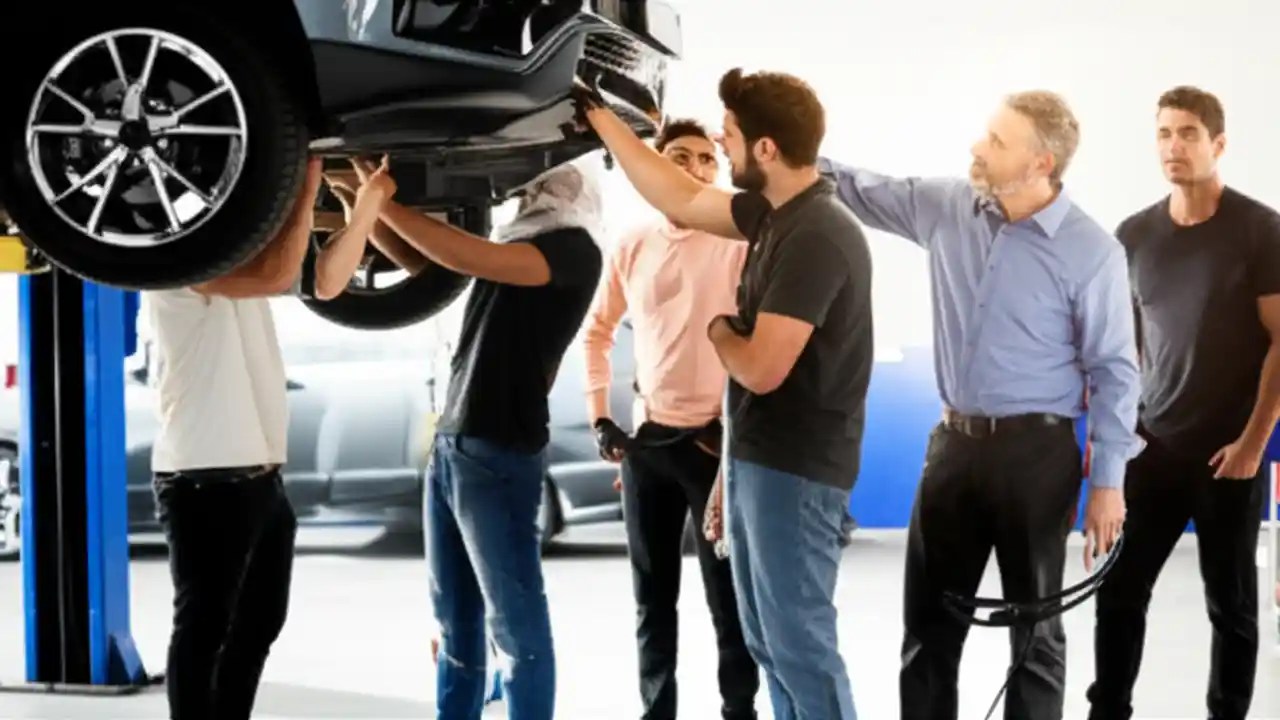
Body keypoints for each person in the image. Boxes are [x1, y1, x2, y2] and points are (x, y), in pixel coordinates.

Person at [819, 90, 1143, 720]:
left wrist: (1109, 481)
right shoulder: (946, 208)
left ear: (1041, 162)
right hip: (954, 449)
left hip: (1038, 456)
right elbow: (859, 188)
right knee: (929, 629)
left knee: (1036, 636)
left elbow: (1114, 371)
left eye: (996, 141)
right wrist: (786, 148)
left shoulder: (1092, 251)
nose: (977, 147)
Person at [577, 67, 872, 720]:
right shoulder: (771, 216)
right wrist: (600, 116)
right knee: (772, 644)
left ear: (765, 149)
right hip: (758, 463)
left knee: (798, 647)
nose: (720, 145)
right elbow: (678, 196)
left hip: (795, 473)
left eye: (730, 136)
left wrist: (719, 330)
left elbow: (760, 366)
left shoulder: (815, 233)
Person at [351, 157, 604, 719]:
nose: (532, 185)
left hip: (499, 450)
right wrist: (360, 201)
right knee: (454, 622)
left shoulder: (573, 248)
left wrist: (381, 203)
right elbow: (431, 265)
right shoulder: (524, 240)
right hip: (455, 446)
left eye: (546, 175)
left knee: (515, 625)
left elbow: (464, 255)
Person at [146, 155, 395, 720]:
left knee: (259, 623)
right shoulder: (177, 263)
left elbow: (326, 282)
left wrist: (370, 203)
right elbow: (280, 274)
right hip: (203, 480)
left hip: (261, 480)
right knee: (204, 628)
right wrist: (303, 184)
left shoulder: (240, 263)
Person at [1085, 86, 1280, 720]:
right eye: (1165, 133)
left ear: (1218, 144)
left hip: (1228, 455)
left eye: (1189, 133)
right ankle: (1108, 709)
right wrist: (1117, 439)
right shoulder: (1135, 234)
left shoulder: (1261, 231)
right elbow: (1128, 353)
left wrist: (1253, 444)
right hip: (1154, 449)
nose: (1175, 145)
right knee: (1119, 591)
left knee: (1230, 604)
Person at [582, 117, 759, 720]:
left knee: (727, 601)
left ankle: (740, 711)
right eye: (678, 156)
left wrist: (739, 443)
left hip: (714, 446)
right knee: (651, 601)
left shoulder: (739, 242)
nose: (693, 168)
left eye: (706, 160)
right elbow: (597, 333)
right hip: (648, 445)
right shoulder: (632, 245)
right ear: (653, 165)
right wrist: (601, 416)